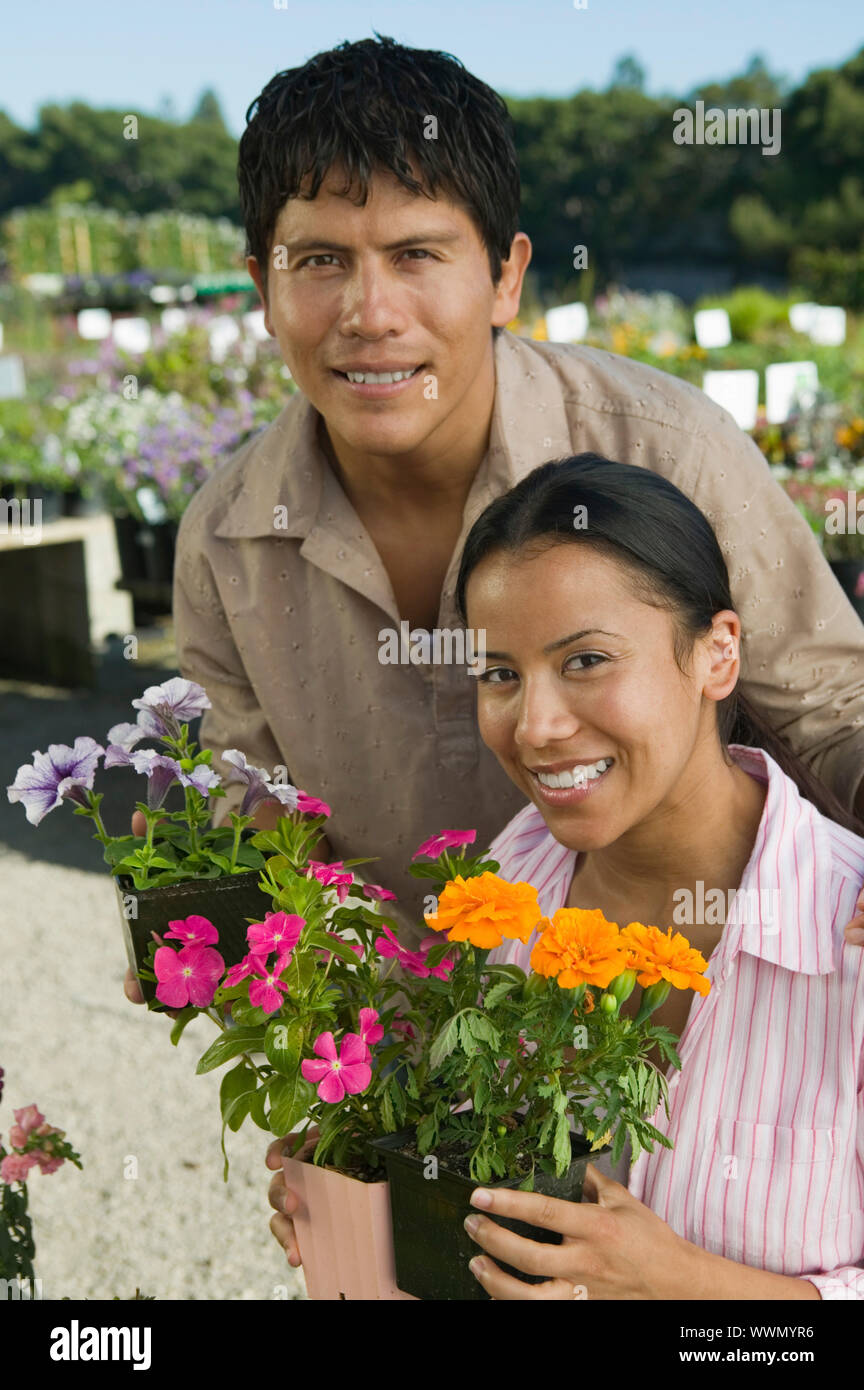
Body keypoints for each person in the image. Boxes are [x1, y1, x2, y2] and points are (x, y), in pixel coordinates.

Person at [162, 36, 864, 963]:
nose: (370, 313)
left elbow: (834, 707)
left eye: (417, 252)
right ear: (262, 285)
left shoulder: (664, 447)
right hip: (423, 1060)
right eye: (320, 261)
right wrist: (204, 929)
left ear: (504, 276)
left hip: (700, 1011)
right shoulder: (226, 538)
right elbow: (248, 809)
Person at [268, 456, 864, 1296]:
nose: (536, 727)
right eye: (500, 675)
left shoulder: (849, 929)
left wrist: (680, 1286)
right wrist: (371, 1184)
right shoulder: (511, 880)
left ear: (717, 655)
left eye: (586, 660)